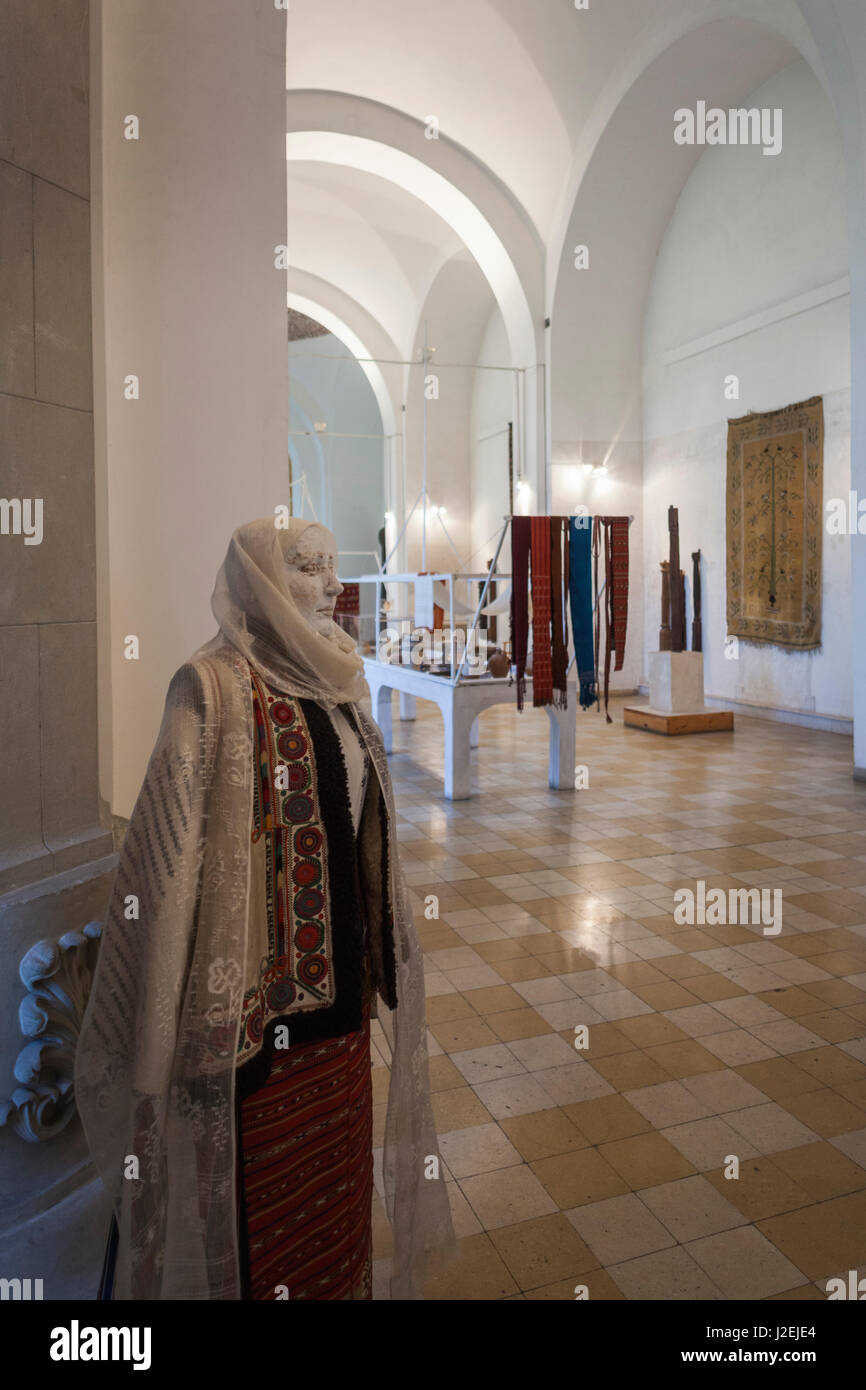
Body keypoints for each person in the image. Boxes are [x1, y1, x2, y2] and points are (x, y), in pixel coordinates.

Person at [76, 516, 454, 1300]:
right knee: (256, 1233)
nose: (333, 587)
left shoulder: (341, 681)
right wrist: (154, 1030)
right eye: (311, 570)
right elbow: (167, 858)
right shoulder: (210, 687)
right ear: (266, 580)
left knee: (335, 1222)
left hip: (341, 1018)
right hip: (252, 1040)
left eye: (332, 568)